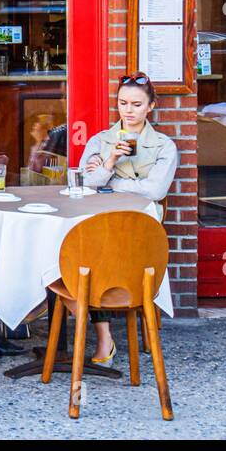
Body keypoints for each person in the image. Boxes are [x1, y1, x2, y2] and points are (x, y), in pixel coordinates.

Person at [76, 71, 179, 367]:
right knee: (86, 256)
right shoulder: (101, 140)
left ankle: (104, 334)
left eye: (136, 104)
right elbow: (85, 181)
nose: (128, 111)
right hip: (102, 220)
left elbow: (156, 190)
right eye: (122, 103)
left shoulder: (163, 146)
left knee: (97, 257)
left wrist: (109, 182)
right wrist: (110, 161)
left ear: (150, 106)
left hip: (142, 227)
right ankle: (105, 336)